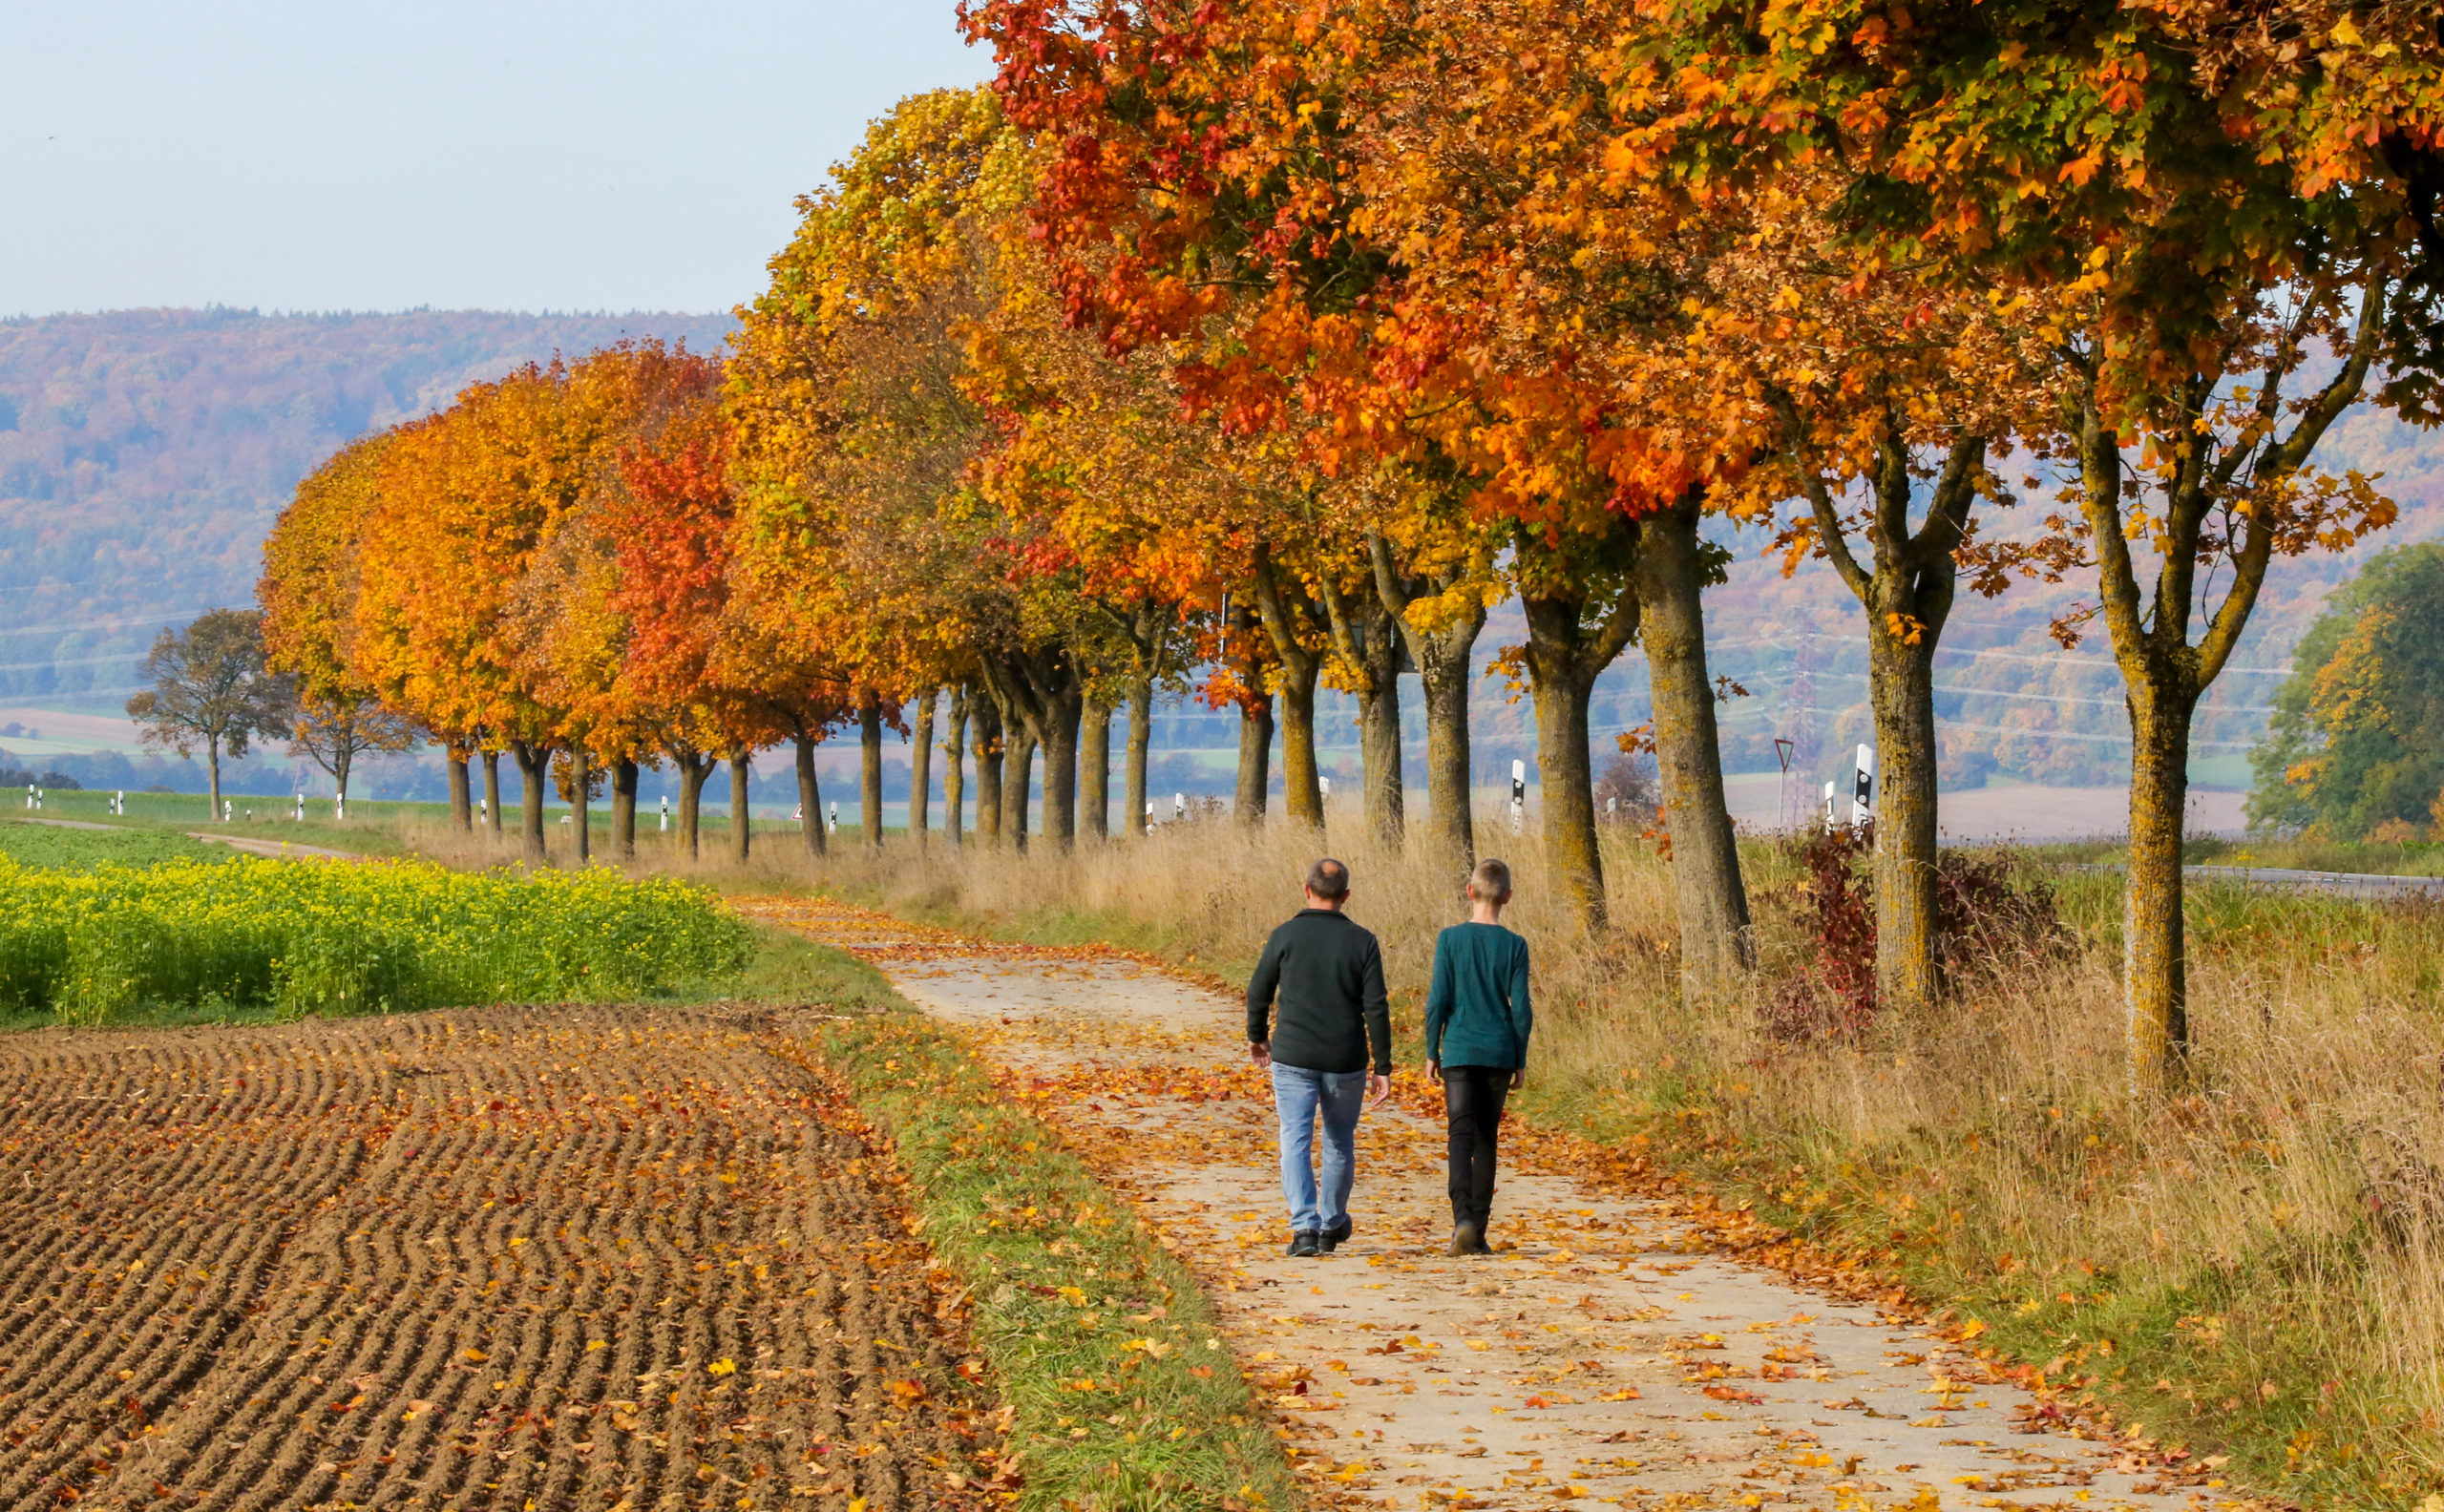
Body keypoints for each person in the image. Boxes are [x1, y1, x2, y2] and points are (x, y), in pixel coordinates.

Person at [1247, 857, 1392, 1258]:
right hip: (1345, 1058)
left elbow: (1258, 991)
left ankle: (1304, 1228)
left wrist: (1258, 1037)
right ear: (1346, 896)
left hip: (1293, 1054)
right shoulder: (1363, 941)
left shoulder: (1285, 935)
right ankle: (1331, 1222)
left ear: (1306, 889)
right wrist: (1382, 1066)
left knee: (1294, 1137)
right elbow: (1376, 1007)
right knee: (1339, 1140)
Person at [1423, 857, 1533, 1256]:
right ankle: (1480, 1233)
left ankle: (1462, 1222)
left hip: (1459, 1049)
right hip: (1499, 1050)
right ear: (1507, 897)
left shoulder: (1450, 939)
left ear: (1470, 891)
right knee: (1487, 1138)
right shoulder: (1515, 945)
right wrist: (1519, 1058)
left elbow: (1438, 1001)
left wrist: (1431, 1050)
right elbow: (1521, 1008)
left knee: (1459, 1134)